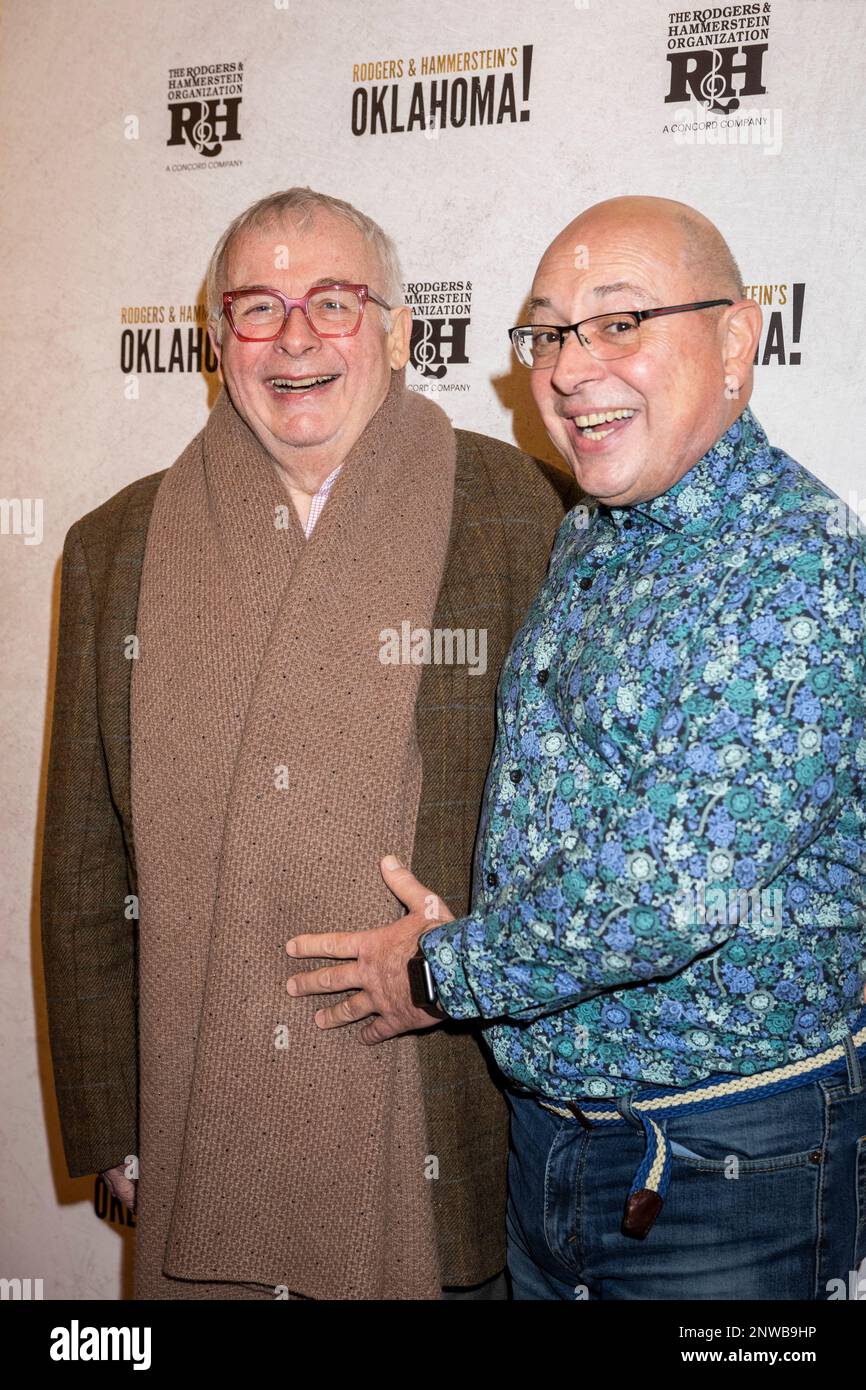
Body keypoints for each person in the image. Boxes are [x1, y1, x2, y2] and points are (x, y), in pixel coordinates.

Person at [289, 195, 866, 1300]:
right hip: (553, 1146)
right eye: (547, 332)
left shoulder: (797, 568)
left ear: (736, 340)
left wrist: (437, 970)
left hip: (717, 1167)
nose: (566, 366)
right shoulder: (594, 529)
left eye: (618, 322)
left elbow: (669, 893)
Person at [39, 187, 575, 1300]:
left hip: (441, 1109)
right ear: (214, 341)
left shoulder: (526, 512)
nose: (293, 340)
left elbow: (586, 828)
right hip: (195, 1125)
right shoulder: (113, 550)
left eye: (334, 303)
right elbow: (86, 867)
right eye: (256, 308)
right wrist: (117, 1125)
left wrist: (472, 967)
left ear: (397, 330)